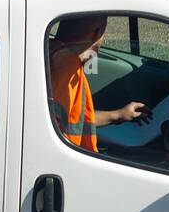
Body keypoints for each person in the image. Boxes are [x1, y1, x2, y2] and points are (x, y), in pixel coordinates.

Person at [48, 16, 151, 152]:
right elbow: (51, 131)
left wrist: (118, 115)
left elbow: (72, 121)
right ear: (97, 33)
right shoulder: (66, 68)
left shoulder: (52, 53)